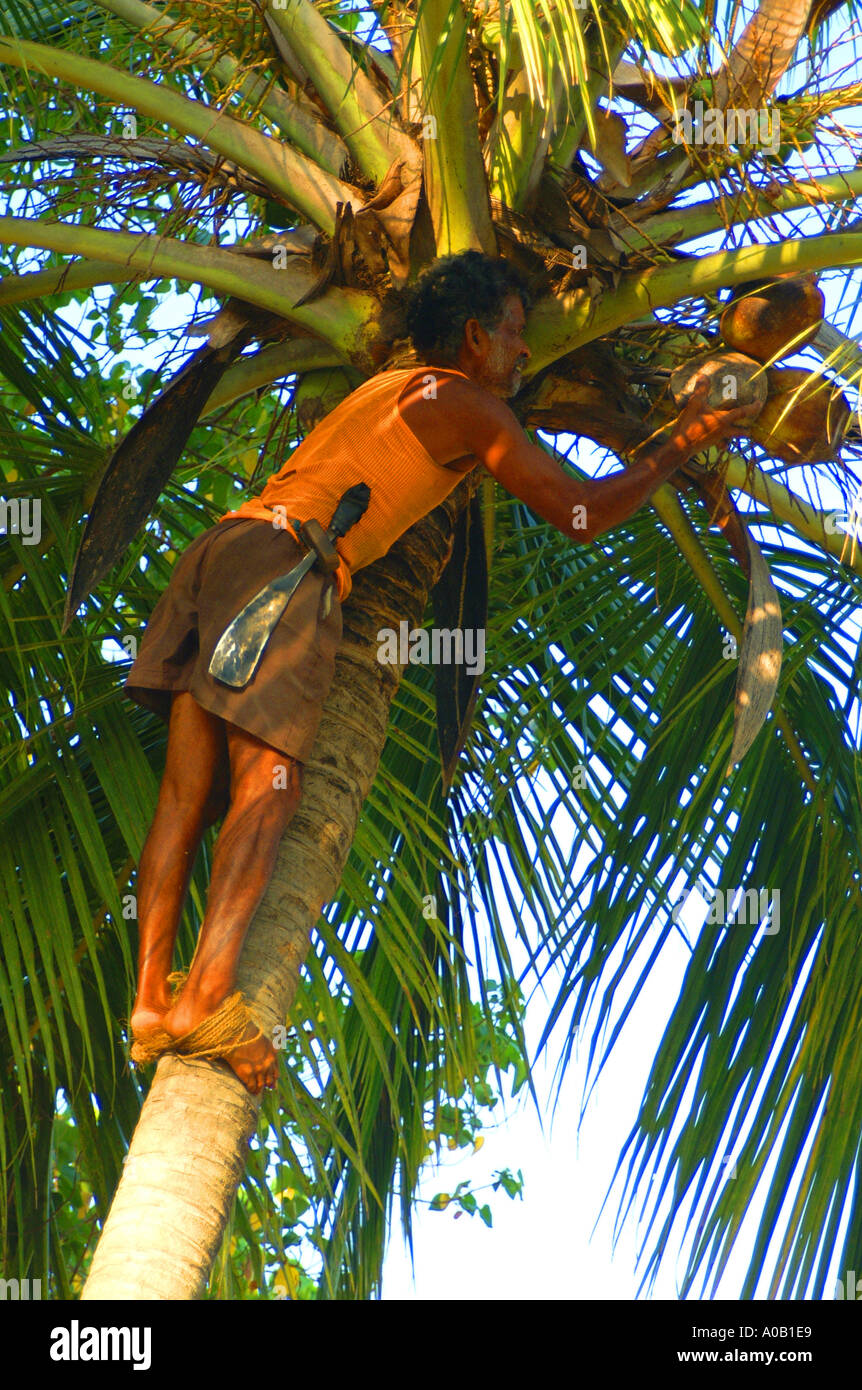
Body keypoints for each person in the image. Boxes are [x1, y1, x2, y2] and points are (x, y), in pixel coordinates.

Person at [125, 250, 754, 1094]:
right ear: (473, 336)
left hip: (224, 548)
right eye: (517, 334)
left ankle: (149, 1003)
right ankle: (204, 998)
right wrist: (689, 440)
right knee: (270, 782)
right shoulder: (463, 401)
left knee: (182, 794)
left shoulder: (386, 390)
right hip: (287, 569)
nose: (526, 355)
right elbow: (578, 512)